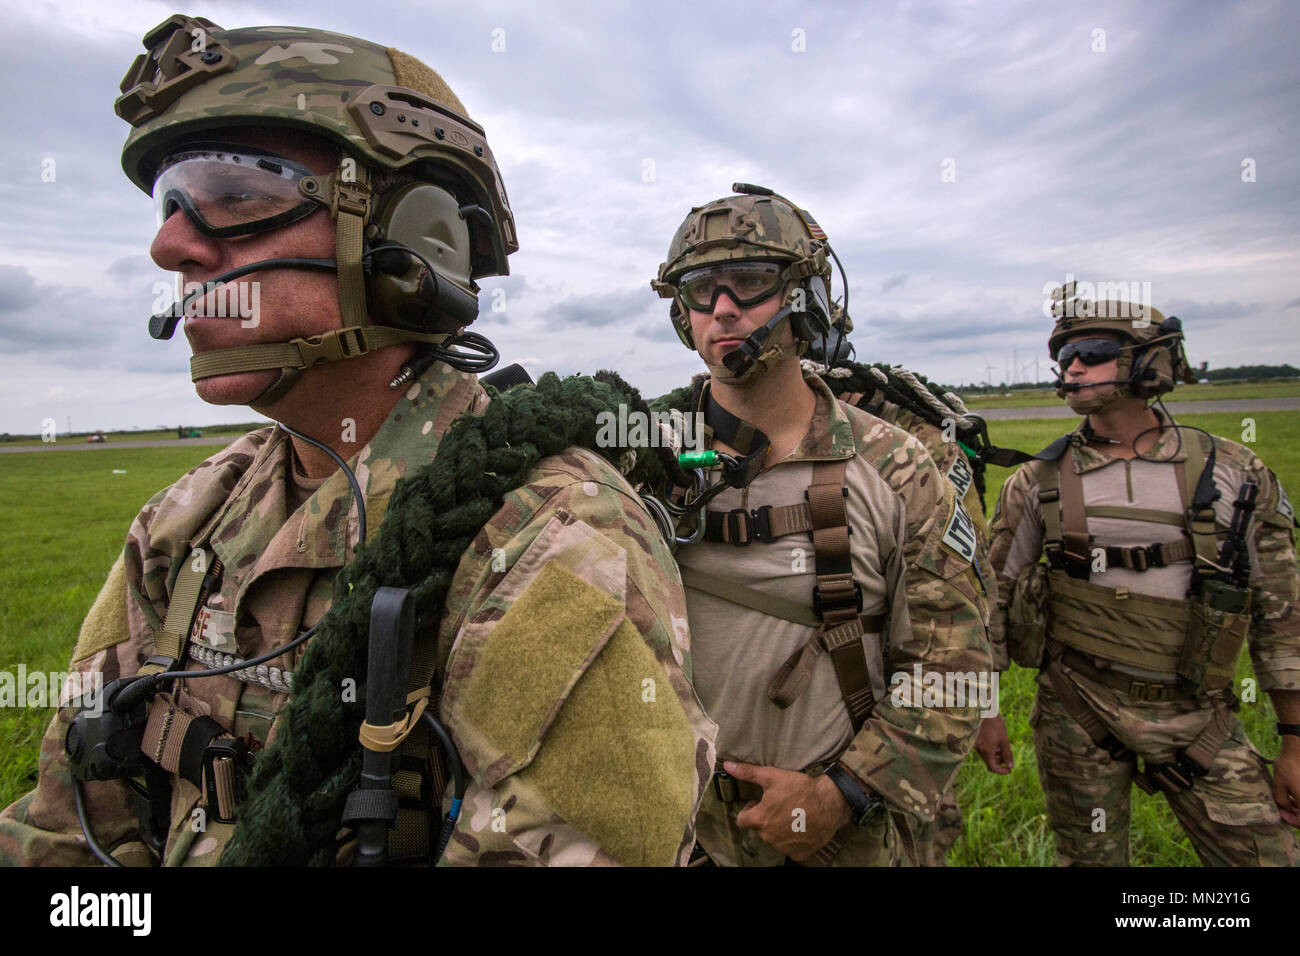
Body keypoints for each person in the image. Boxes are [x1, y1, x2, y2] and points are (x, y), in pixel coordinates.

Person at [0, 15, 715, 867]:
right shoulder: (184, 521)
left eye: (235, 194)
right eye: (170, 204)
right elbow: (65, 825)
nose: (170, 246)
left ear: (412, 239)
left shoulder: (554, 538)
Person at [649, 185, 991, 866]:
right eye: (699, 289)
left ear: (804, 298)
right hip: (674, 828)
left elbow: (955, 673)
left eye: (749, 283)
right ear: (679, 315)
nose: (722, 309)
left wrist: (839, 795)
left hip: (838, 836)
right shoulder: (645, 456)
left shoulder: (898, 469)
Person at [978, 282, 1300, 866]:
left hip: (1201, 715)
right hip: (1077, 709)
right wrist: (987, 709)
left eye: (1093, 351)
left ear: (1148, 359)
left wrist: (1296, 743)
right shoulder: (1037, 480)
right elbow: (989, 601)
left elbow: (1282, 615)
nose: (1072, 367)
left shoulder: (1233, 471)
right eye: (1064, 357)